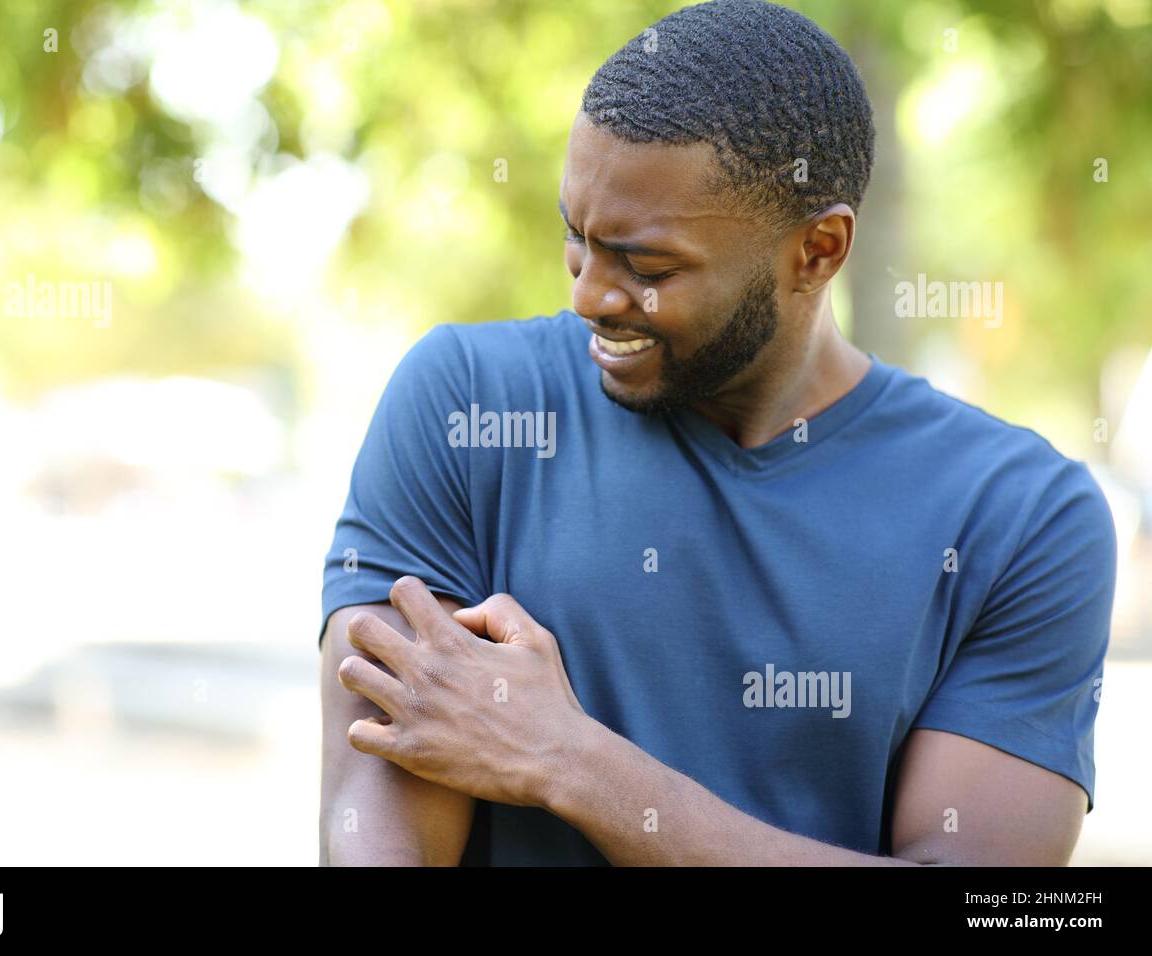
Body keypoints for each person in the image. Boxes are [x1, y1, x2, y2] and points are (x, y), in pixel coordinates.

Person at [318, 0, 1116, 866]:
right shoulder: (467, 407)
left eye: (648, 266)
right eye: (576, 238)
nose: (589, 295)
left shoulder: (1023, 518)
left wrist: (574, 763)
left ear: (818, 250)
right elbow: (379, 827)